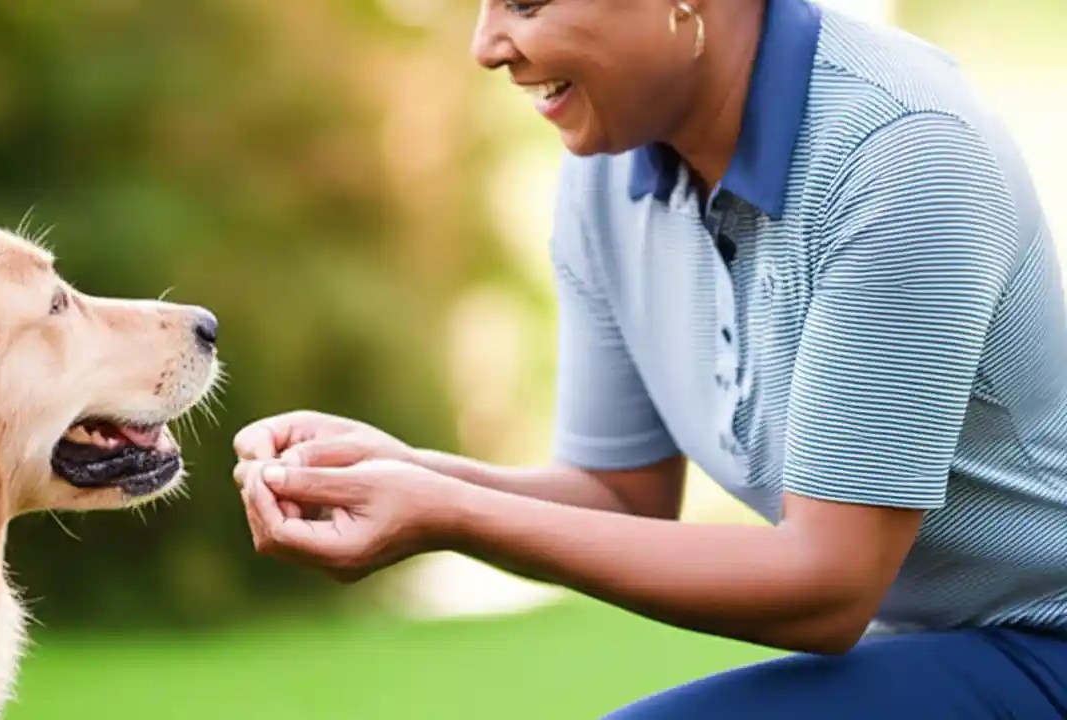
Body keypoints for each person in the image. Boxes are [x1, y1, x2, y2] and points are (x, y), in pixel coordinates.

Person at [232, 0, 1067, 716]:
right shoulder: (607, 165)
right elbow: (621, 495)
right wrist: (410, 473)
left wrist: (448, 513)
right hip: (924, 647)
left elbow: (827, 583)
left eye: (526, 2)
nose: (485, 46)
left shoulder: (901, 153)